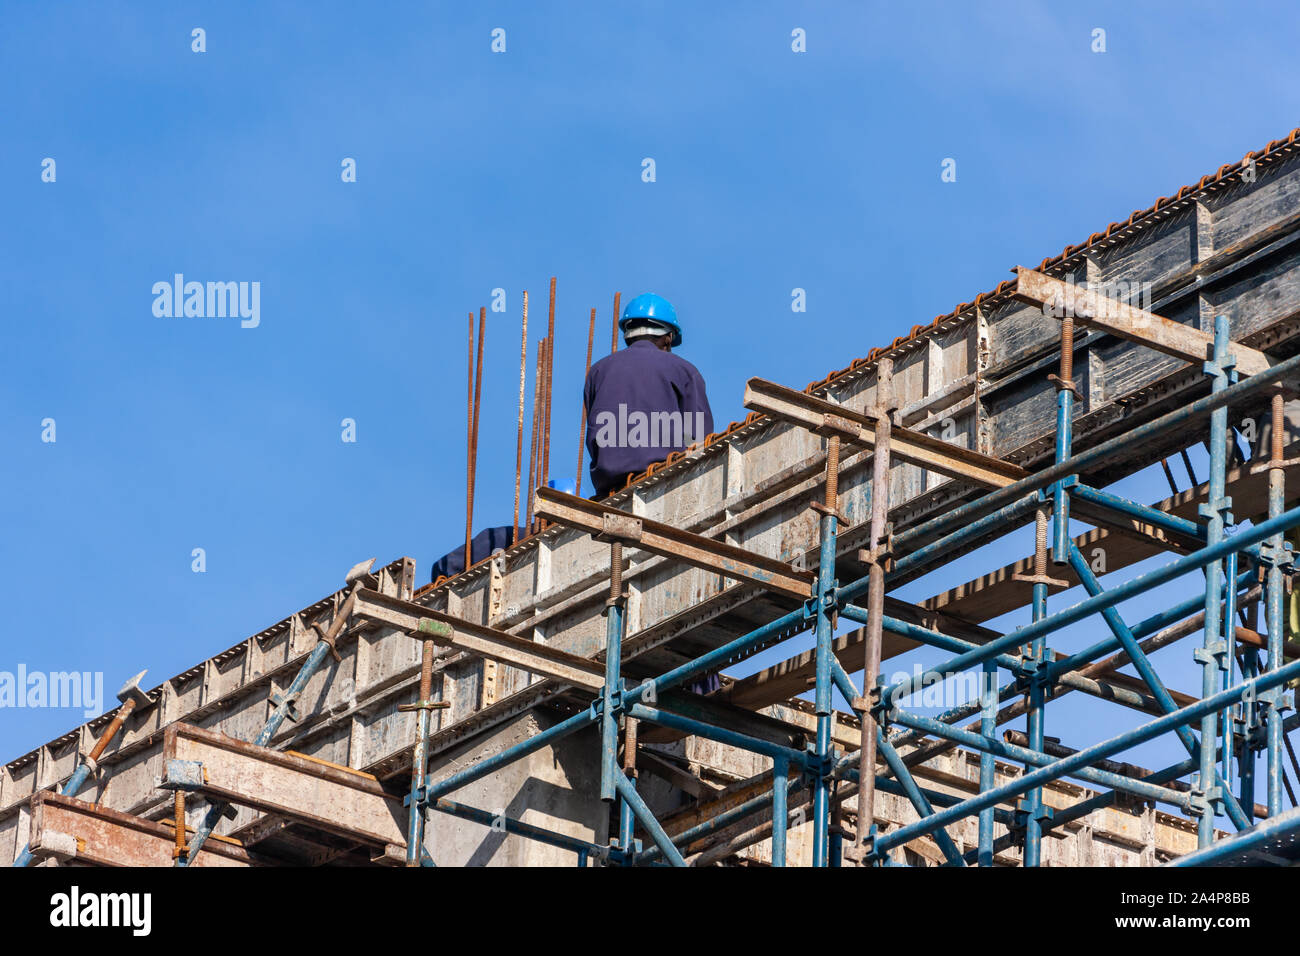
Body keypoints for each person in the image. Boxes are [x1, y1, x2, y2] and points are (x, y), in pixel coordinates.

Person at [583, 293, 714, 499]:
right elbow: (698, 440)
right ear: (668, 337)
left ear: (628, 333)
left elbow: (594, 435)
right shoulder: (684, 371)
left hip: (609, 489)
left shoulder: (597, 372)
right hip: (665, 479)